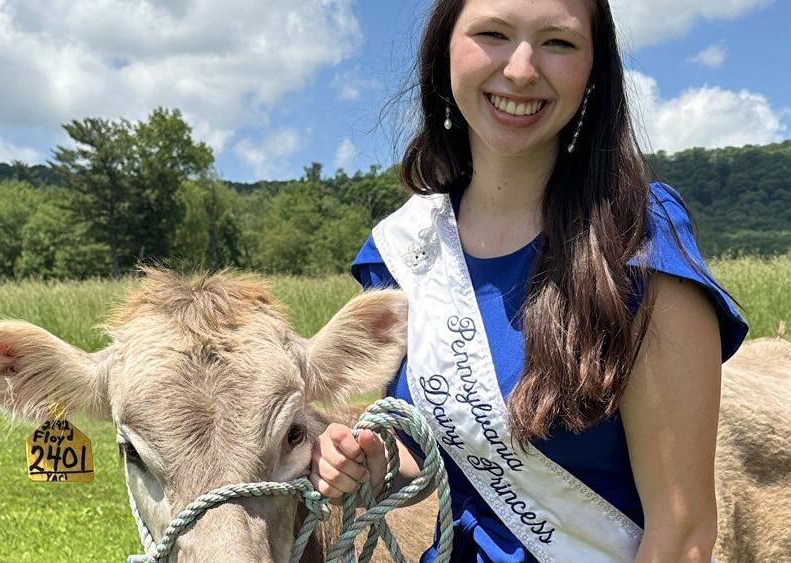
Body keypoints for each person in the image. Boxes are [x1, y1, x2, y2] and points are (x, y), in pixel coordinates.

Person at [309, 0, 749, 561]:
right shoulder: (406, 251)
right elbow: (449, 441)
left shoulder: (638, 238)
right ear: (445, 50)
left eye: (558, 42)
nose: (521, 69)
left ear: (595, 69)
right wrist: (375, 459)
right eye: (492, 33)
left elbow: (683, 532)